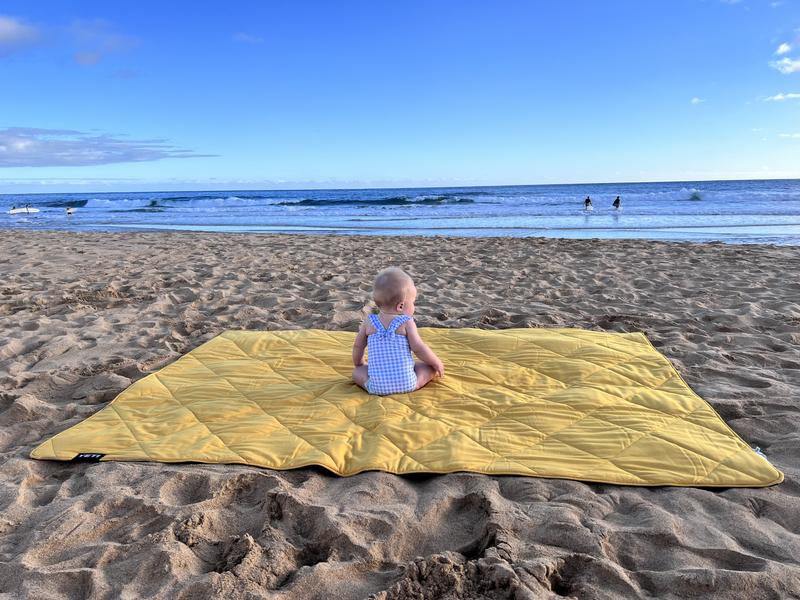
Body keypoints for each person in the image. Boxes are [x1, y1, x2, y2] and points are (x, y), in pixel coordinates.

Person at [352, 267, 444, 395]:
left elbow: (358, 346)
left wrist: (360, 363)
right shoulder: (406, 322)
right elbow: (419, 348)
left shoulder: (369, 322)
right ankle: (417, 383)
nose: (414, 306)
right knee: (427, 367)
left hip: (377, 387)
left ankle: (374, 383)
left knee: (357, 372)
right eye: (412, 302)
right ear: (401, 306)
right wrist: (435, 362)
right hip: (407, 384)